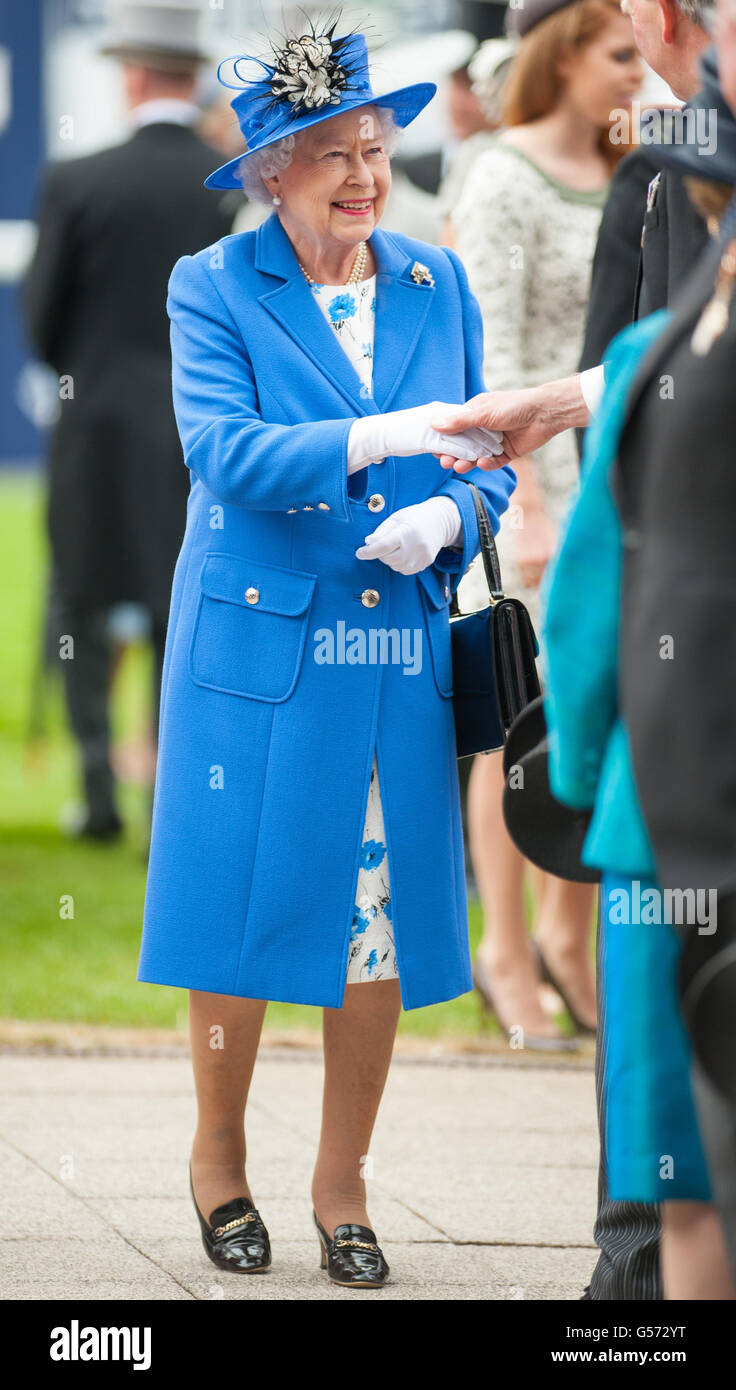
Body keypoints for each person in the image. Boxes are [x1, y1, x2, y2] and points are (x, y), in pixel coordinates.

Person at [137, 18, 515, 1289]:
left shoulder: (432, 280)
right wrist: (381, 440)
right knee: (242, 917)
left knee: (378, 933)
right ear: (270, 170)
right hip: (261, 649)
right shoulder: (214, 285)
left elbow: (487, 458)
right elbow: (225, 454)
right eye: (333, 156)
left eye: (376, 149)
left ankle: (341, 1188)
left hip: (392, 654)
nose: (364, 176)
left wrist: (449, 514)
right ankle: (217, 1161)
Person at [430, 0, 716, 1304]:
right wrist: (548, 442)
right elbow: (634, 350)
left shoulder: (669, 156)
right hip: (596, 534)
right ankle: (632, 1253)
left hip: (679, 681)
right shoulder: (663, 168)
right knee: (670, 1129)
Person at [449, 0, 642, 1053]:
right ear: (562, 56)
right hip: (530, 476)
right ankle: (505, 949)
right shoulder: (499, 173)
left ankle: (572, 942)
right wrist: (517, 501)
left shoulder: (637, 166)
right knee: (515, 720)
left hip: (614, 478)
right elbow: (488, 347)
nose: (634, 76)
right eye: (618, 56)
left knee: (597, 714)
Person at [23, 0, 234, 839]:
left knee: (82, 596)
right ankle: (167, 797)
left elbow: (44, 325)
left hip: (96, 427)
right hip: (200, 430)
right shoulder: (227, 183)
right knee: (173, 605)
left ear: (134, 73)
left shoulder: (77, 178)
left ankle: (97, 794)